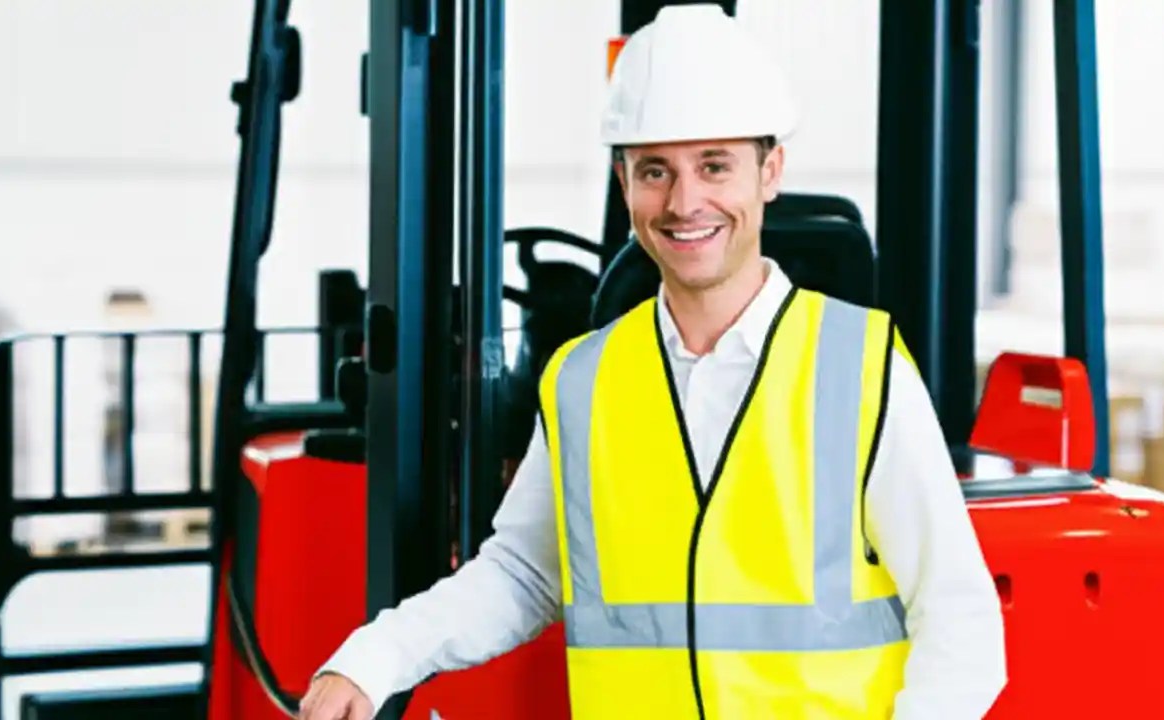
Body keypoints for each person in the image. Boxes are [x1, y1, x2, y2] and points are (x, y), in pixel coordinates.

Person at [300, 4, 1007, 718]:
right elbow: (521, 573)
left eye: (714, 166)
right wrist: (372, 660)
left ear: (771, 172)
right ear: (623, 181)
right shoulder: (584, 378)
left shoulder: (862, 367)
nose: (684, 201)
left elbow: (960, 620)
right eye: (655, 171)